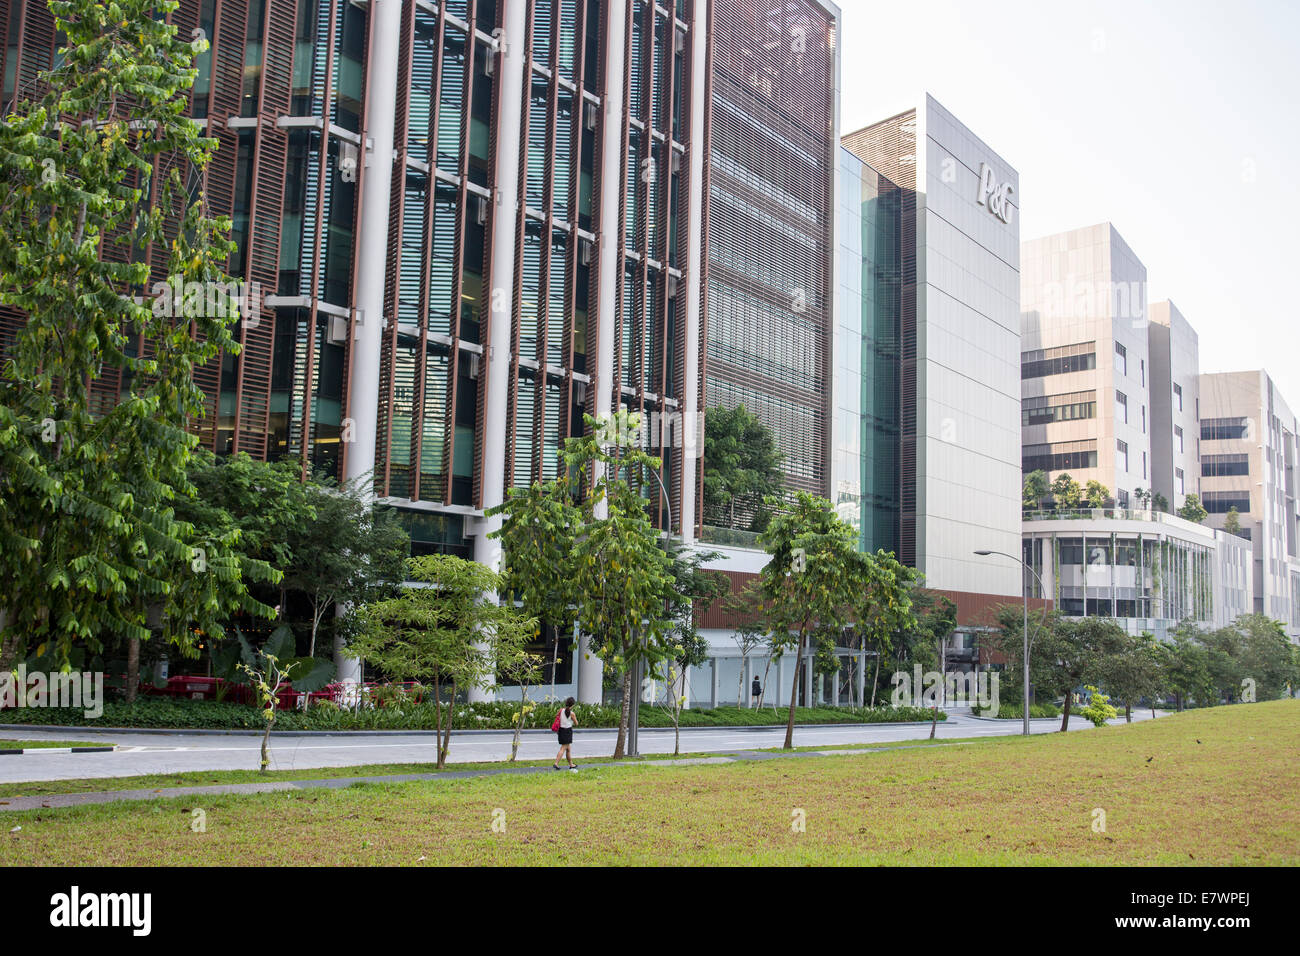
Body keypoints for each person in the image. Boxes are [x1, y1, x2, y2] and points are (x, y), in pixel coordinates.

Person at [553, 696, 578, 771]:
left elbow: (556, 717)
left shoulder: (561, 710)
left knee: (568, 749)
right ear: (572, 705)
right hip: (567, 731)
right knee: (563, 748)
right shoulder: (572, 713)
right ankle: (556, 763)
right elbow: (576, 723)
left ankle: (571, 764)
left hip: (561, 731)